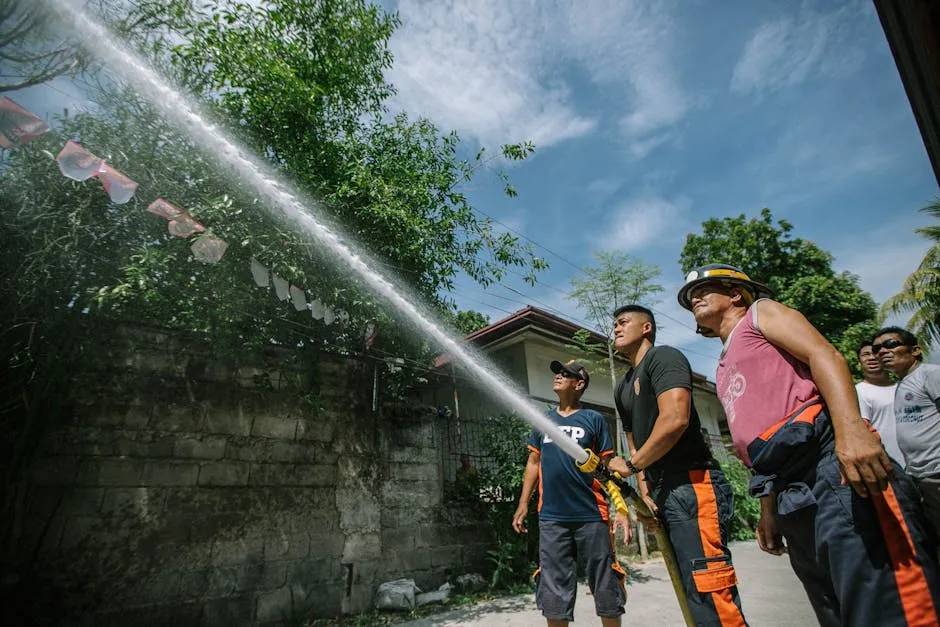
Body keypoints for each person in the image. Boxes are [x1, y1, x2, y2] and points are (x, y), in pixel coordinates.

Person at [679, 263, 940, 626]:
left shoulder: (761, 313)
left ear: (736, 293)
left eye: (704, 291)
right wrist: (768, 510)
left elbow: (824, 354)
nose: (695, 299)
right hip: (787, 488)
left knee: (884, 599)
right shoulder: (723, 364)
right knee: (832, 603)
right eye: (691, 297)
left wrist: (851, 432)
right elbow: (758, 441)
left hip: (829, 463)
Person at [604, 305, 747, 627]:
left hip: (693, 485)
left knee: (710, 590)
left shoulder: (663, 358)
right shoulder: (623, 386)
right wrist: (645, 495)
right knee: (692, 594)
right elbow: (634, 441)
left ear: (647, 328)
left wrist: (631, 464)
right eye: (614, 324)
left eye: (623, 322)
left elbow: (675, 419)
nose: (616, 328)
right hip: (663, 490)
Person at [512, 360, 626, 626]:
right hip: (552, 517)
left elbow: (608, 463)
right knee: (554, 591)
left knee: (606, 584)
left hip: (591, 514)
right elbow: (533, 463)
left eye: (566, 374)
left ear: (580, 384)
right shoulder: (544, 420)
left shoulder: (593, 419)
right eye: (557, 373)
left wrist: (622, 506)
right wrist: (522, 503)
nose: (559, 376)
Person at [873, 326, 940, 534]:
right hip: (919, 476)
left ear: (915, 351)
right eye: (876, 349)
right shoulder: (902, 384)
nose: (882, 351)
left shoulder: (930, 374)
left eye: (891, 344)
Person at [855, 340, 904, 468]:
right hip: (888, 465)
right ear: (859, 362)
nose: (871, 357)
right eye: (865, 354)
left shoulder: (903, 387)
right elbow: (861, 433)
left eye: (874, 353)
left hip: (920, 464)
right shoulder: (857, 392)